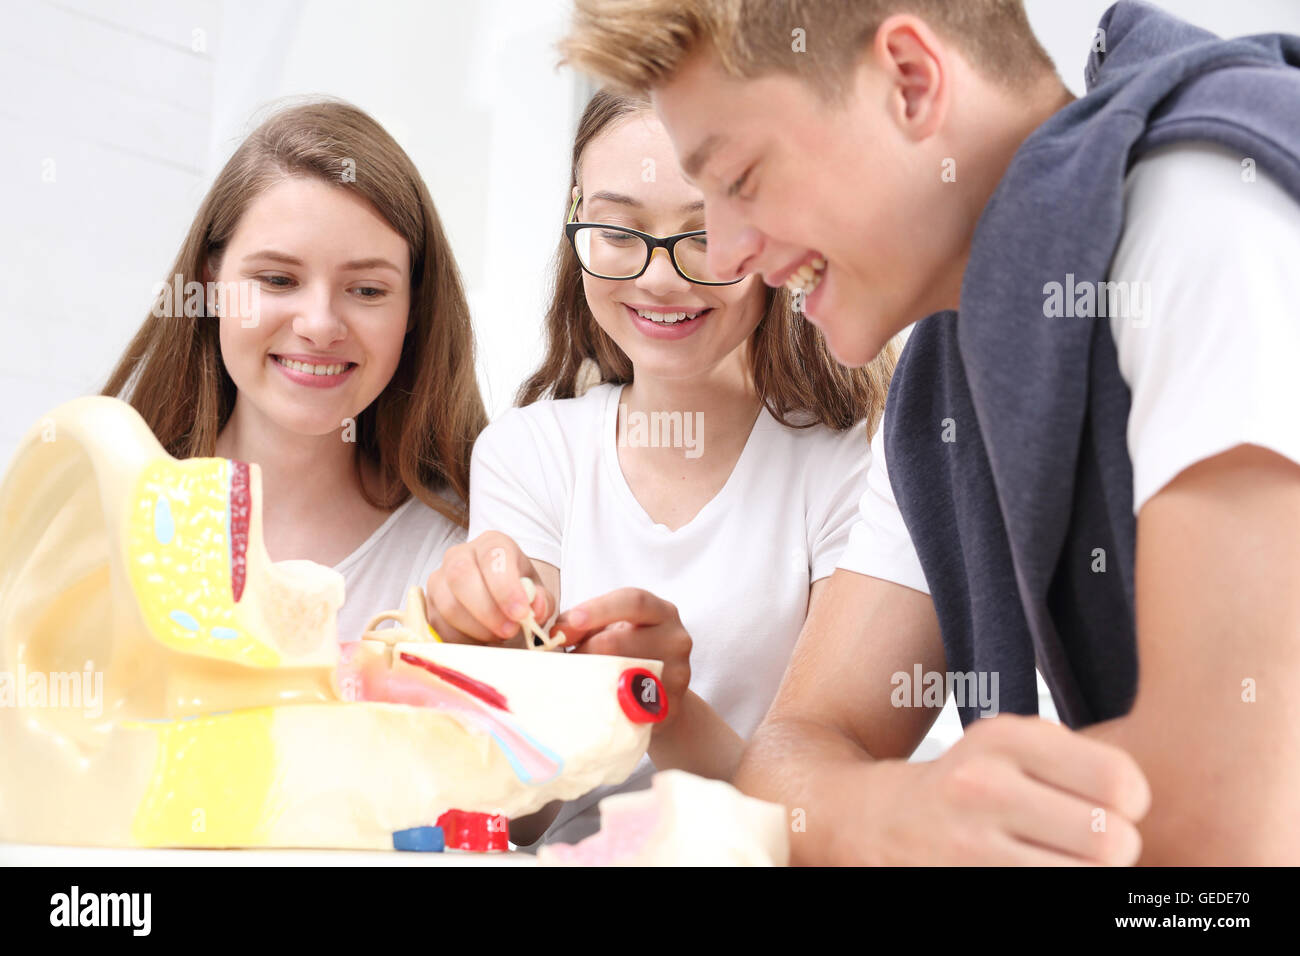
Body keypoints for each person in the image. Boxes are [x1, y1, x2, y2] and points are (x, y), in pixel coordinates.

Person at [559, 0, 1300, 864]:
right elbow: (788, 752)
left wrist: (870, 815)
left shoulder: (1203, 211)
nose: (725, 255)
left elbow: (1229, 822)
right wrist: (888, 811)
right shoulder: (944, 385)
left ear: (911, 81)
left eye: (743, 179)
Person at [422, 88, 900, 845]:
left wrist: (662, 707)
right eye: (619, 229)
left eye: (706, 230)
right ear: (577, 219)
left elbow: (811, 828)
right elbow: (521, 817)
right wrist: (493, 669)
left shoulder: (852, 469)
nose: (659, 280)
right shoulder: (528, 454)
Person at [104, 99, 487, 643]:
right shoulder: (101, 512)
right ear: (209, 283)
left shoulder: (456, 559)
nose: (320, 325)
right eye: (278, 280)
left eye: (367, 290)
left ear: (414, 310)